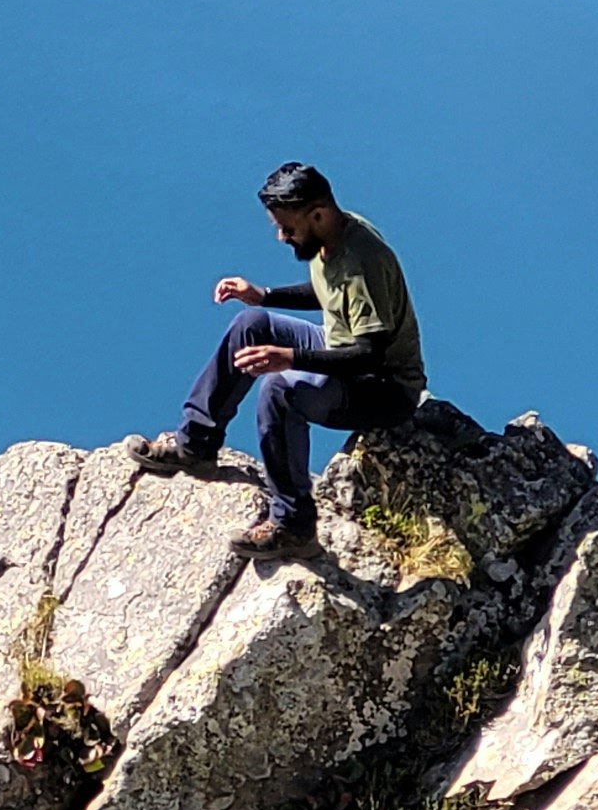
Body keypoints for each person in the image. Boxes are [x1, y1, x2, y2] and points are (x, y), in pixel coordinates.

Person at [138, 162, 426, 555]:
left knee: (279, 389)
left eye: (287, 228)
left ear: (318, 215)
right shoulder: (335, 233)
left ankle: (293, 526)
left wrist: (289, 358)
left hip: (383, 389)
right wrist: (265, 295)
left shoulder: (364, 262)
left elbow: (368, 355)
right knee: (250, 324)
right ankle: (196, 445)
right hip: (342, 350)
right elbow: (329, 290)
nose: (281, 236)